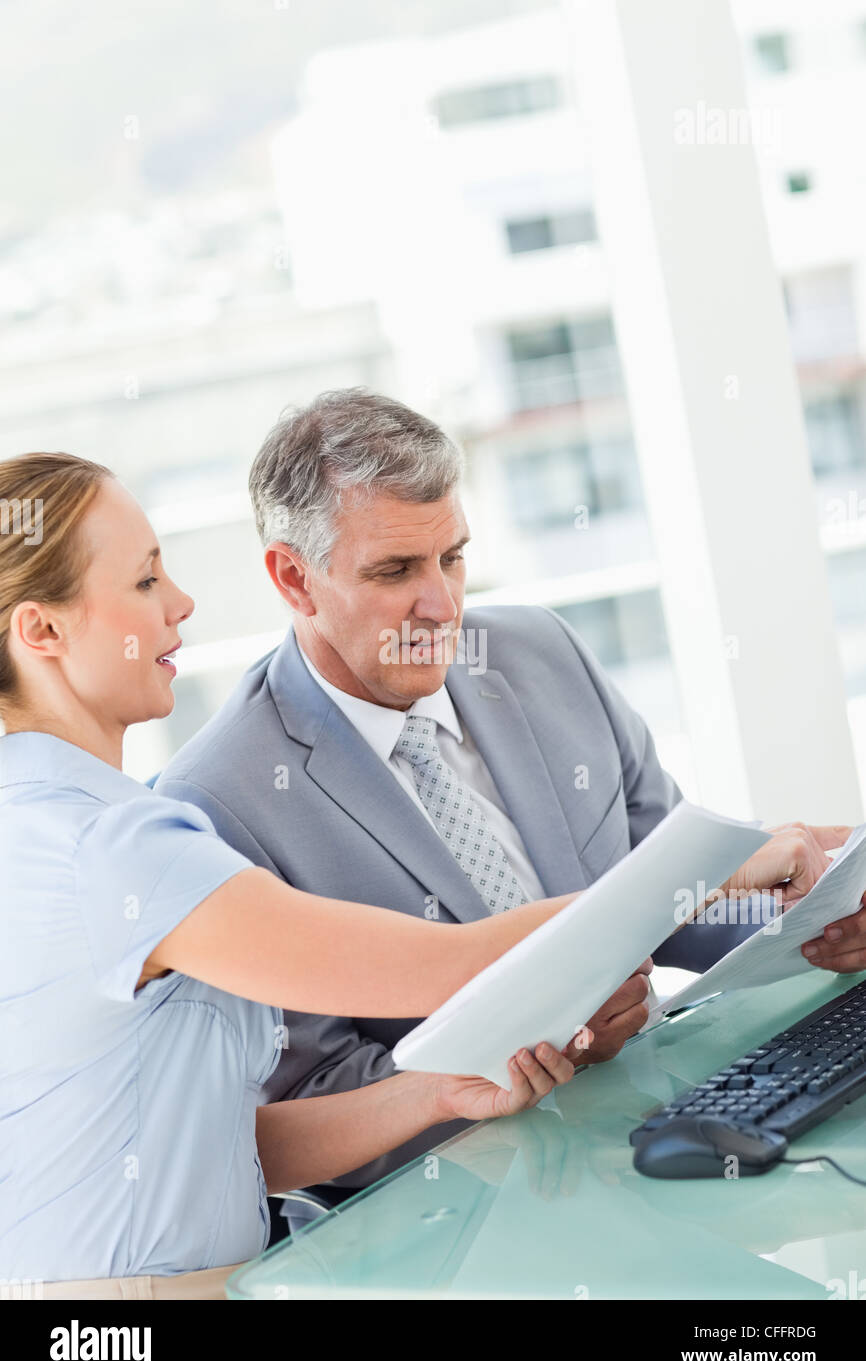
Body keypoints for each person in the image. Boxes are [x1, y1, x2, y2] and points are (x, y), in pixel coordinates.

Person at [156, 388, 859, 1213]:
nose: (443, 606)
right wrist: (541, 1038)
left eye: (451, 557)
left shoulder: (542, 653)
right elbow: (309, 1108)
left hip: (666, 1129)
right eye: (395, 572)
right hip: (460, 1207)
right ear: (292, 579)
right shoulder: (214, 804)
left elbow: (678, 900)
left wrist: (819, 920)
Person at [0, 451, 593, 1299]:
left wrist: (434, 1094)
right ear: (43, 632)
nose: (181, 603)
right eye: (144, 581)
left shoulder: (27, 817)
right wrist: (706, 873)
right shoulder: (113, 846)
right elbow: (452, 964)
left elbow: (213, 1147)